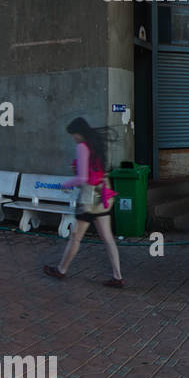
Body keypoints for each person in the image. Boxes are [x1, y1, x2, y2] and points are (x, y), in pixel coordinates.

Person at [44, 116, 124, 288]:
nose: (73, 138)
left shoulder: (81, 146)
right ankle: (118, 277)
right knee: (108, 238)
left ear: (78, 133)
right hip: (102, 194)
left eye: (73, 134)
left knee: (75, 237)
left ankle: (61, 270)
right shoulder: (96, 145)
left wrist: (65, 184)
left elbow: (82, 177)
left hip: (88, 198)